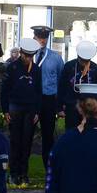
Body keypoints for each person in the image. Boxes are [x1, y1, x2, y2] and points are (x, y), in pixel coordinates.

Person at [1, 37, 42, 185]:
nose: (28, 59)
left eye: (31, 56)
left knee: (27, 141)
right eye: (26, 56)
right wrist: (5, 110)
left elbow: (39, 91)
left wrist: (37, 111)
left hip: (30, 109)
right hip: (15, 108)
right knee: (15, 141)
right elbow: (4, 91)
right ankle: (13, 173)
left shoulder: (36, 69)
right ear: (21, 53)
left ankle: (24, 173)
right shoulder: (12, 68)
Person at [32, 25, 65, 167]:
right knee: (26, 135)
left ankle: (48, 167)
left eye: (45, 37)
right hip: (31, 99)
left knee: (48, 135)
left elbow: (61, 81)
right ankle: (21, 171)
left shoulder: (55, 58)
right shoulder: (28, 55)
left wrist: (59, 104)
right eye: (40, 37)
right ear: (34, 37)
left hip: (48, 99)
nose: (42, 40)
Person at [58, 40, 97, 132]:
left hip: (88, 108)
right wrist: (59, 107)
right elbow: (62, 87)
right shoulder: (69, 66)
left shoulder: (95, 69)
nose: (84, 63)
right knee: (72, 133)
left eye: (87, 61)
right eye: (82, 60)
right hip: (71, 107)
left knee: (87, 133)